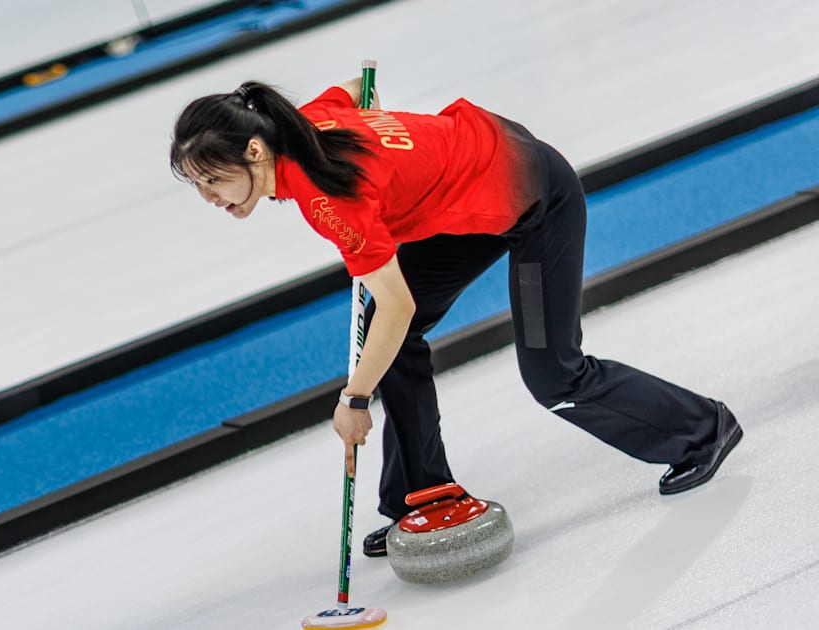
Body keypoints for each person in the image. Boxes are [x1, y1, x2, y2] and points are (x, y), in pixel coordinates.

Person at [168, 77, 742, 558]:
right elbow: (349, 89)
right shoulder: (305, 123)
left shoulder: (329, 200)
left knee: (554, 374)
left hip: (536, 200)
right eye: (198, 187)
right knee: (380, 336)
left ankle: (701, 431)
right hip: (476, 185)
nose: (211, 199)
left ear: (255, 151)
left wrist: (355, 399)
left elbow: (399, 306)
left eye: (213, 181)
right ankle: (426, 493)